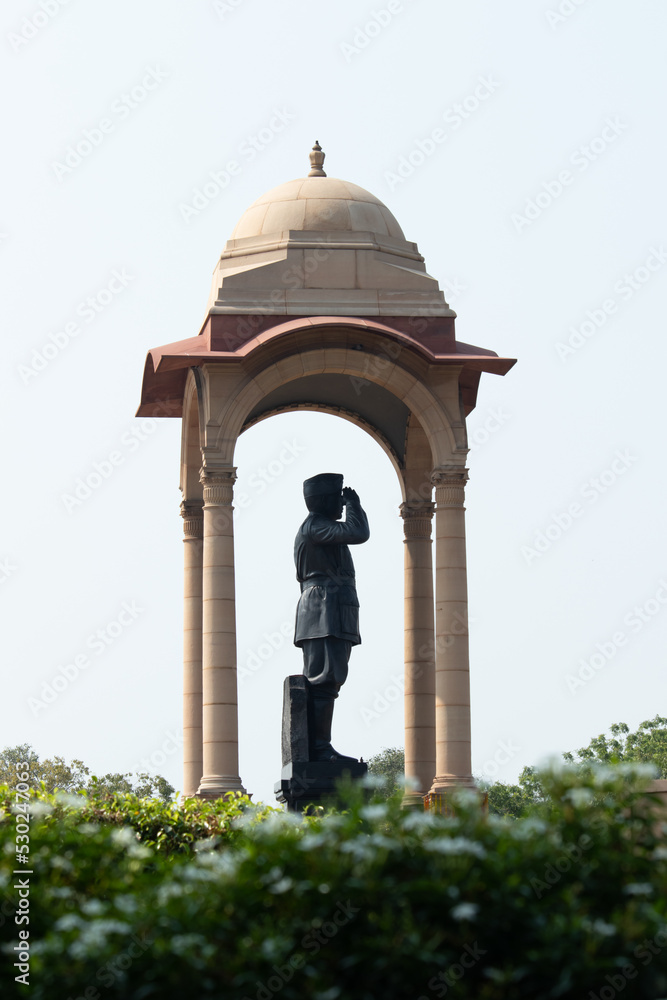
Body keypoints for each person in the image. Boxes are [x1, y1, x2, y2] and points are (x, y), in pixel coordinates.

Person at [293, 473, 370, 762]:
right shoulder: (315, 527)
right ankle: (318, 749)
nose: (340, 502)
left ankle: (320, 747)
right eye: (336, 498)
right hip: (323, 610)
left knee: (331, 678)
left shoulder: (320, 527)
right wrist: (353, 504)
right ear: (325, 500)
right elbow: (359, 532)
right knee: (323, 678)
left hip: (332, 609)